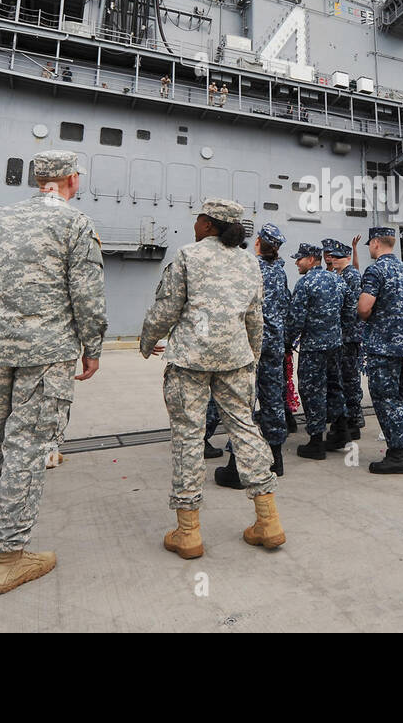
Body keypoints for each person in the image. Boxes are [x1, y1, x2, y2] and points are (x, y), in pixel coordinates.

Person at [0, 150, 106, 594]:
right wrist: (93, 347)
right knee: (26, 450)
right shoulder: (75, 223)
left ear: (38, 179)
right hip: (45, 355)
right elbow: (87, 293)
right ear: (72, 179)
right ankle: (8, 558)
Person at [140, 199, 284, 558]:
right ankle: (269, 522)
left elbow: (166, 308)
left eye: (199, 219)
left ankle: (188, 533)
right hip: (235, 358)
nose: (196, 224)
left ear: (208, 224)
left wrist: (147, 341)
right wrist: (252, 354)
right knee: (245, 429)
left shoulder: (188, 256)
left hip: (190, 358)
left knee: (189, 437)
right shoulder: (250, 263)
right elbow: (255, 316)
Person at [216, 222, 290, 488]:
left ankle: (238, 465)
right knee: (272, 400)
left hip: (251, 344)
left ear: (258, 241)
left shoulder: (249, 266)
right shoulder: (279, 272)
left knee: (242, 402)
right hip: (274, 344)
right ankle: (275, 458)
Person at [357, 226, 403, 474]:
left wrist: (368, 316)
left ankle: (396, 455)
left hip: (383, 347)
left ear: (375, 243)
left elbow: (364, 307)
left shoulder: (375, 271)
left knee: (386, 399)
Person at [286, 242, 347, 459]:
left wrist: (287, 342)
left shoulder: (305, 283)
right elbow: (347, 311)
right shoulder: (337, 280)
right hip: (335, 345)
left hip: (313, 347)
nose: (296, 262)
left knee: (312, 391)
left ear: (311, 259)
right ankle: (340, 430)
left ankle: (315, 442)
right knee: (334, 386)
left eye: (300, 258)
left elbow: (295, 319)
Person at [322, 238, 366, 442]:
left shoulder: (351, 275)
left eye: (337, 256)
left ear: (346, 257)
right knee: (342, 377)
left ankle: (354, 419)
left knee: (350, 378)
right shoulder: (337, 274)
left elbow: (351, 307)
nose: (333, 259)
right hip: (340, 335)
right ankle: (346, 416)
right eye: (332, 256)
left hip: (349, 335)